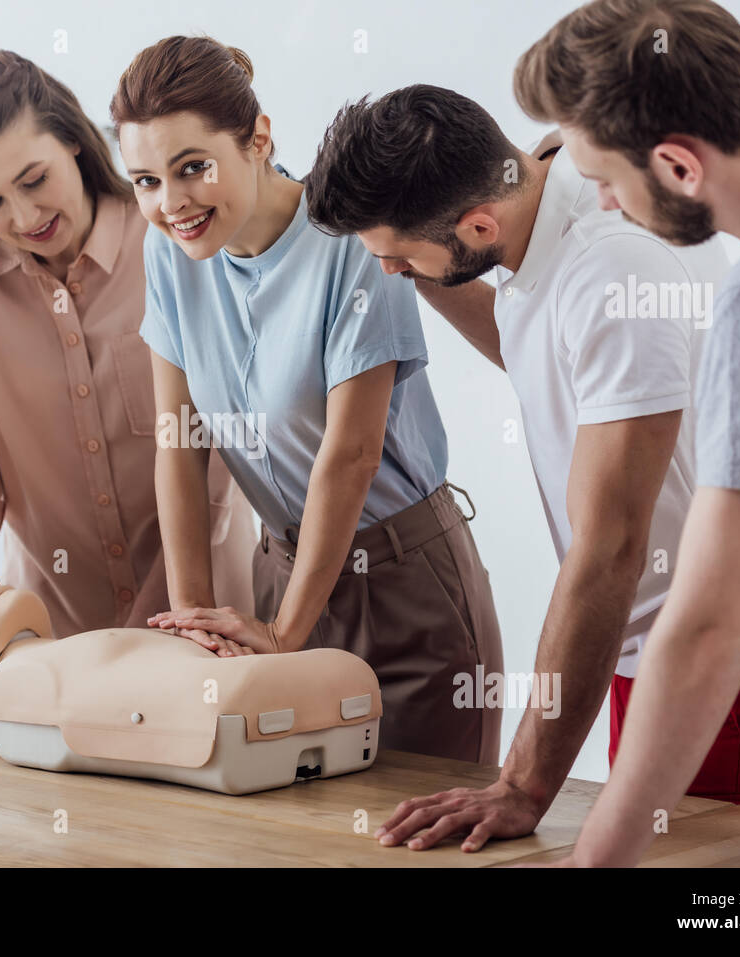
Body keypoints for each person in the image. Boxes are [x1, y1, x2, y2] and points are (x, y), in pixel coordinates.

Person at [306, 83, 740, 854]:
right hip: (642, 640)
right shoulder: (547, 171)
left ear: (479, 224)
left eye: (398, 255)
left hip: (716, 655)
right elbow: (534, 347)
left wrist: (523, 784)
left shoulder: (613, 275)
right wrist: (422, 264)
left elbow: (609, 549)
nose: (388, 270)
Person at [512, 0, 740, 867]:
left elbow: (710, 625)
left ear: (675, 165)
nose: (596, 200)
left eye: (600, 176)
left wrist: (598, 858)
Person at [111, 36, 504, 761]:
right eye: (145, 181)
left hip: (406, 585)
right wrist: (193, 620)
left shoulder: (352, 239)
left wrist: (287, 634)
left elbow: (350, 455)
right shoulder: (168, 250)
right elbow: (180, 444)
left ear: (258, 138)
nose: (171, 203)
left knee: (426, 832)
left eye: (193, 168)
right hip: (282, 575)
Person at [0, 50, 257, 640]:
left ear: (72, 140)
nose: (24, 217)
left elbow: (224, 449)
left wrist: (167, 614)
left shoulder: (176, 233)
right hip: (50, 634)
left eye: (34, 180)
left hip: (210, 617)